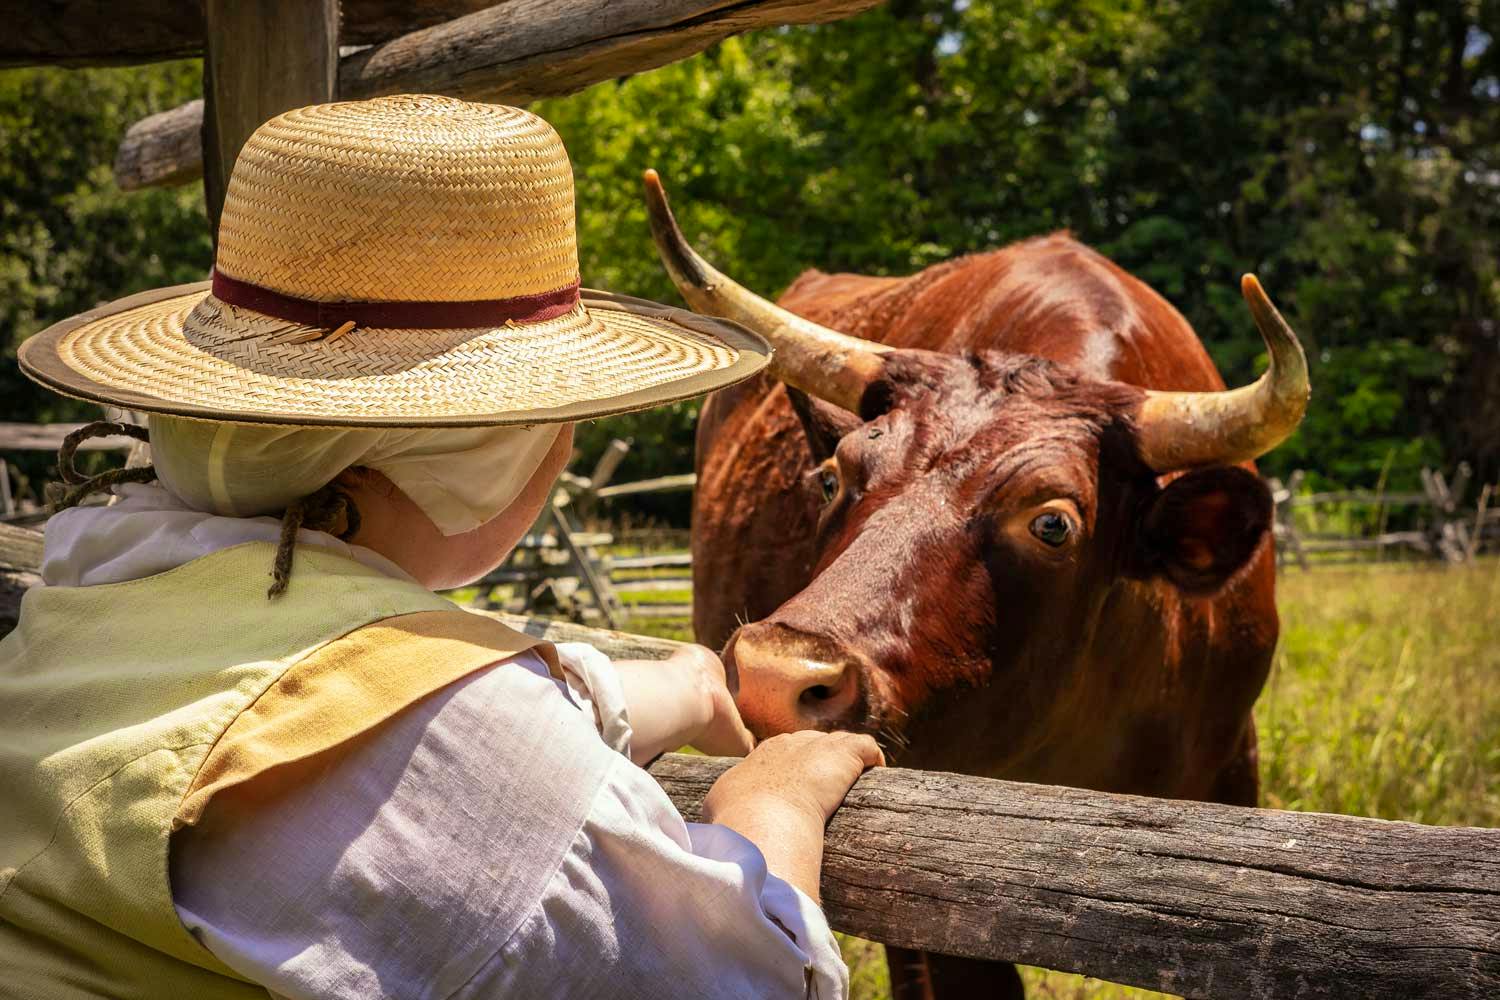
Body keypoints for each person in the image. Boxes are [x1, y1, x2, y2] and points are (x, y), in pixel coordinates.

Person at [0, 95, 882, 999]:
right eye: (560, 423)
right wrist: (770, 806)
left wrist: (643, 689)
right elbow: (750, 983)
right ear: (487, 456)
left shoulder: (99, 577)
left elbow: (299, 702)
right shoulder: (450, 749)